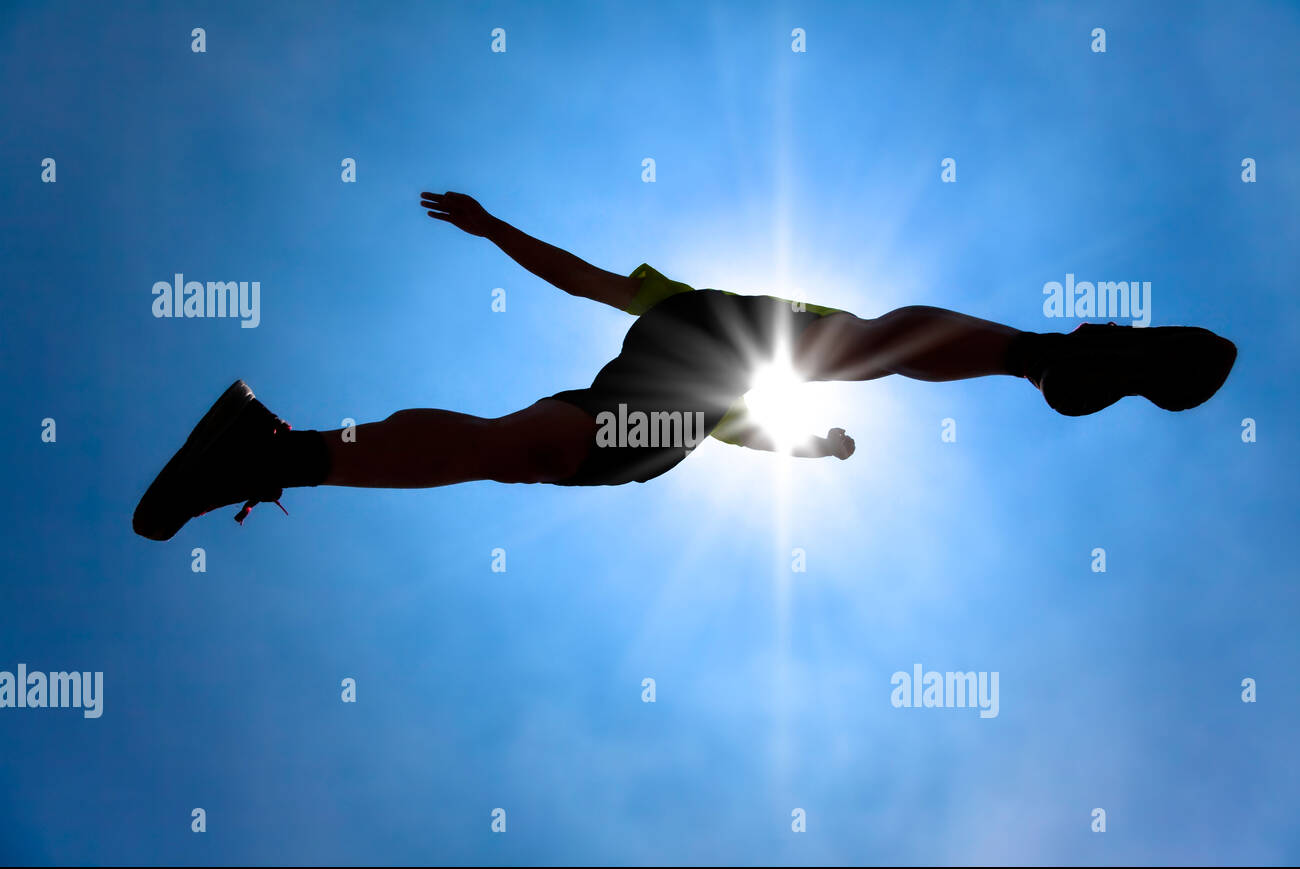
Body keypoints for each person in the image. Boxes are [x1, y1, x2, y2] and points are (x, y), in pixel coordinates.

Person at [132, 191, 1238, 541]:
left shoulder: (676, 323)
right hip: (667, 384)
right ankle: (1049, 354)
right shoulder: (670, 335)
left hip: (672, 386)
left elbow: (598, 295)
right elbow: (593, 294)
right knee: (524, 445)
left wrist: (802, 440)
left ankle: (284, 449)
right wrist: (492, 228)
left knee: (526, 449)